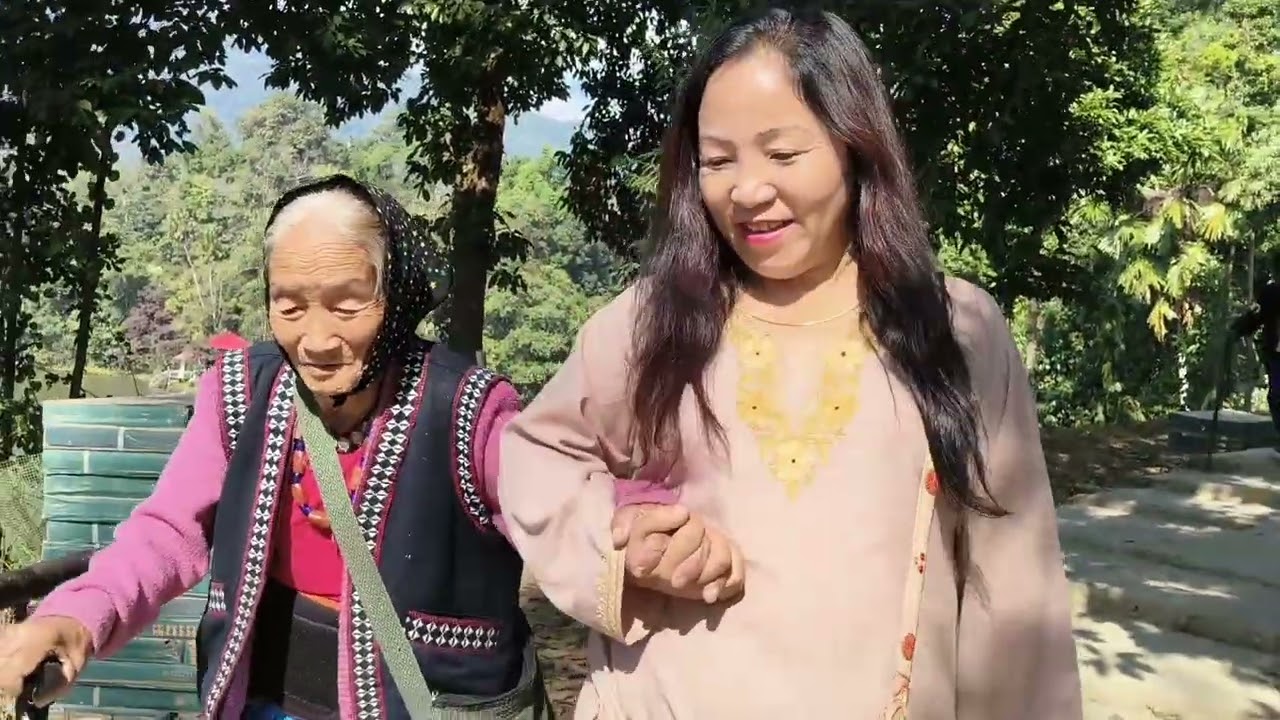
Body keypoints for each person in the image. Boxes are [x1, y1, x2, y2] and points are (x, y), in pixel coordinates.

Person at [497, 8, 1082, 719]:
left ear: (854, 147)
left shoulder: (954, 330)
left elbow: (1013, 592)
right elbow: (533, 454)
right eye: (718, 160)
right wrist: (621, 547)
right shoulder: (654, 322)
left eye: (782, 154)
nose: (746, 190)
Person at [0, 175, 736, 720]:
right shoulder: (239, 394)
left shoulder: (469, 407)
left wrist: (636, 526)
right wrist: (76, 616)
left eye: (348, 304)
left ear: (398, 294)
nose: (316, 338)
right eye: (289, 305)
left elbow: (559, 499)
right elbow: (163, 535)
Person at [1231, 266, 1280, 442]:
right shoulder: (1272, 293)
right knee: (1277, 397)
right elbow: (1256, 316)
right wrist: (1237, 330)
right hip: (1277, 355)